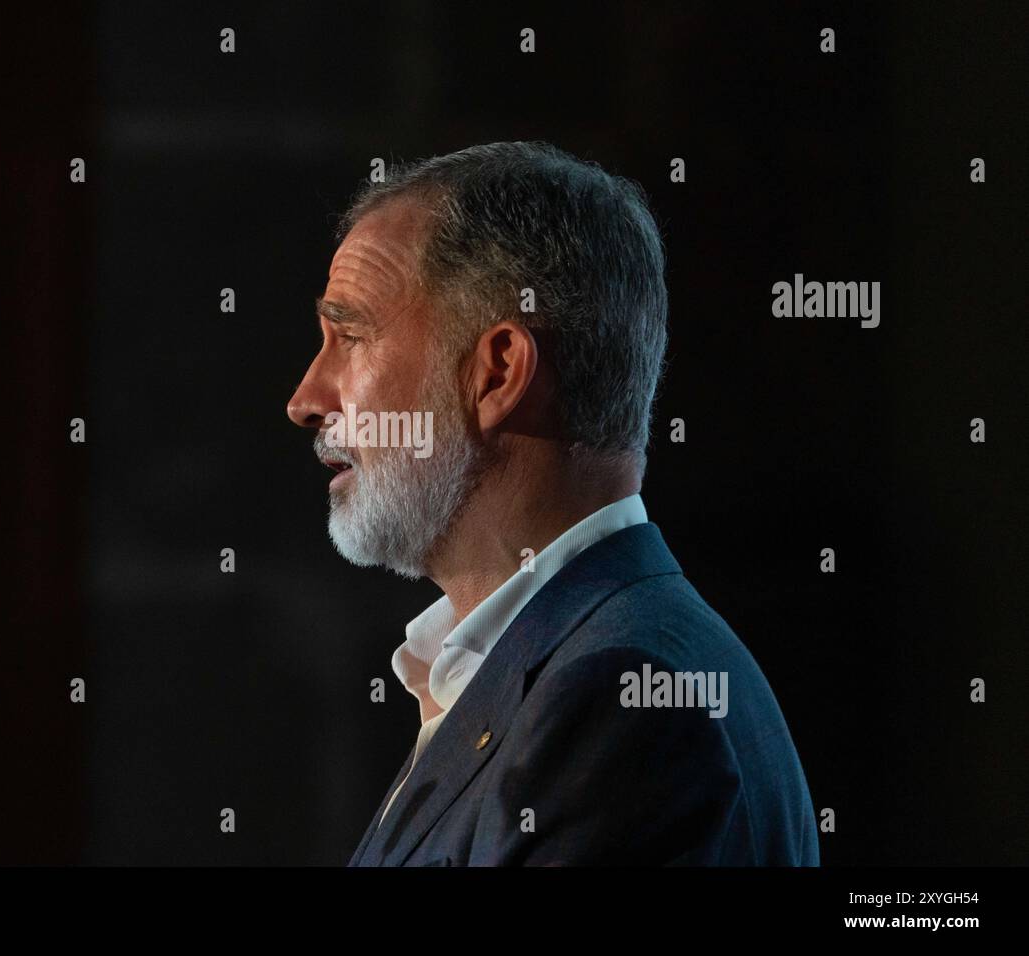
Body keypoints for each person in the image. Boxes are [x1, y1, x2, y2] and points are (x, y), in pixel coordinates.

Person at [286, 142, 818, 865]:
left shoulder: (623, 704)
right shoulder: (512, 671)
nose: (307, 399)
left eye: (349, 336)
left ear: (497, 371)